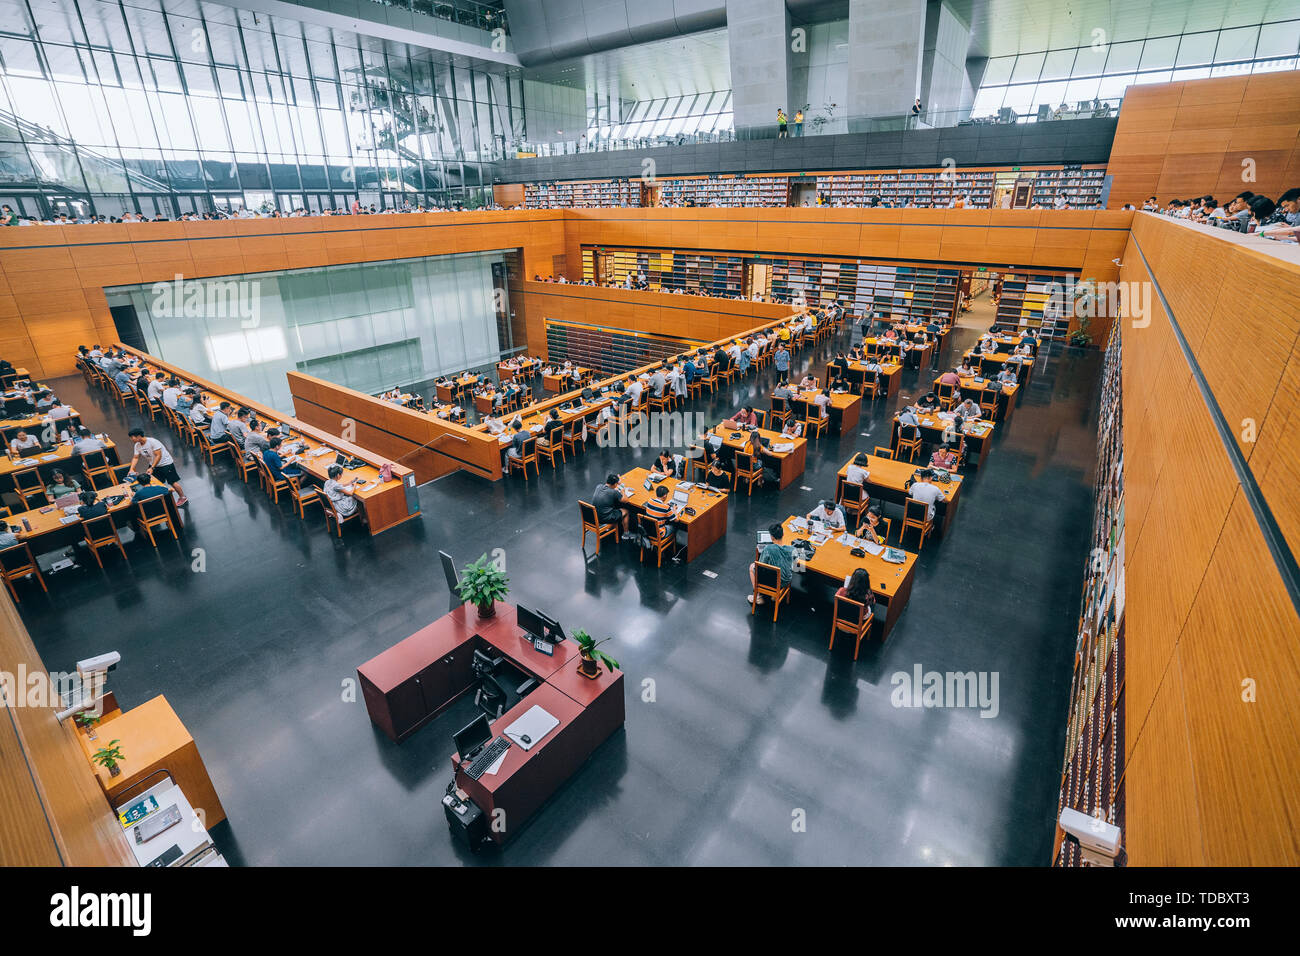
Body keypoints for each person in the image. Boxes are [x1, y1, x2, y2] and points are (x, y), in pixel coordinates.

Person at [127, 428, 186, 506]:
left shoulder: (152, 442)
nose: (131, 439)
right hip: (154, 464)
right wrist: (131, 469)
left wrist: (152, 468)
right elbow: (136, 457)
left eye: (132, 437)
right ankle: (159, 499)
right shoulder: (137, 445)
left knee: (172, 482)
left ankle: (182, 497)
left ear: (138, 436)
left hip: (166, 464)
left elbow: (158, 455)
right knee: (153, 482)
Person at [749, 523, 794, 606]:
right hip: (785, 581)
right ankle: (776, 595)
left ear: (772, 537)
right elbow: (799, 567)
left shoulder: (768, 549)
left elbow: (760, 566)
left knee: (752, 566)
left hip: (772, 582)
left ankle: (758, 596)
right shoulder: (791, 549)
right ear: (783, 534)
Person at [592, 473, 633, 538]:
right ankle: (626, 534)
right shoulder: (614, 492)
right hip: (605, 518)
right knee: (626, 512)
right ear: (615, 484)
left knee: (613, 505)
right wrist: (623, 491)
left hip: (595, 516)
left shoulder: (599, 486)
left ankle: (609, 527)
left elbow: (610, 491)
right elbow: (626, 500)